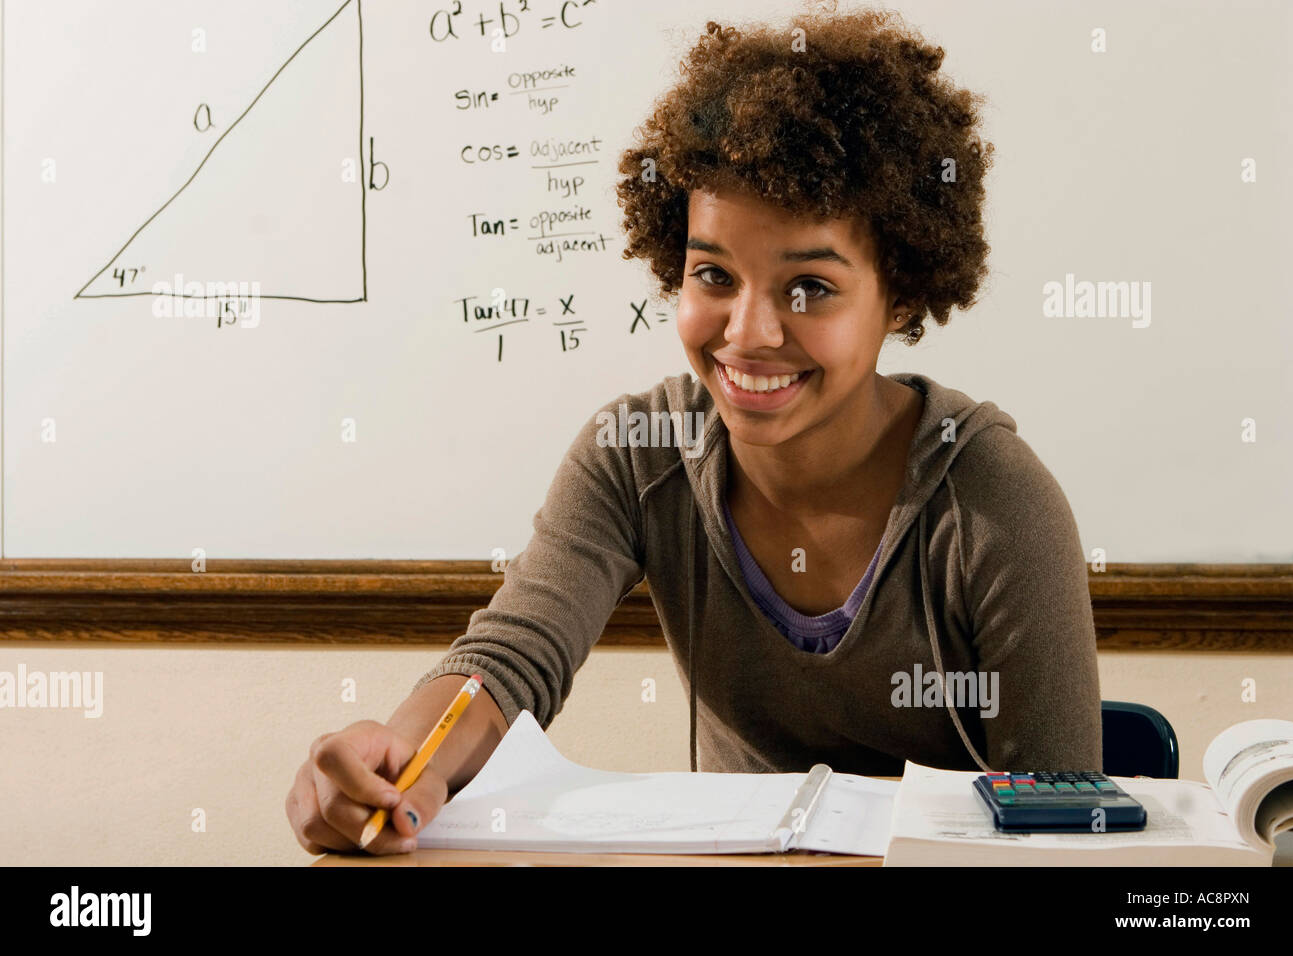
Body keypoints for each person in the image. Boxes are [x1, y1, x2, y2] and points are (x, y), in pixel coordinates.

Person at [286, 7, 1102, 856]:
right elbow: (508, 660)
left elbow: (1066, 825)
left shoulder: (994, 499)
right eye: (713, 274)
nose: (748, 332)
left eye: (811, 287)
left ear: (898, 295)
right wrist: (399, 760)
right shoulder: (637, 454)